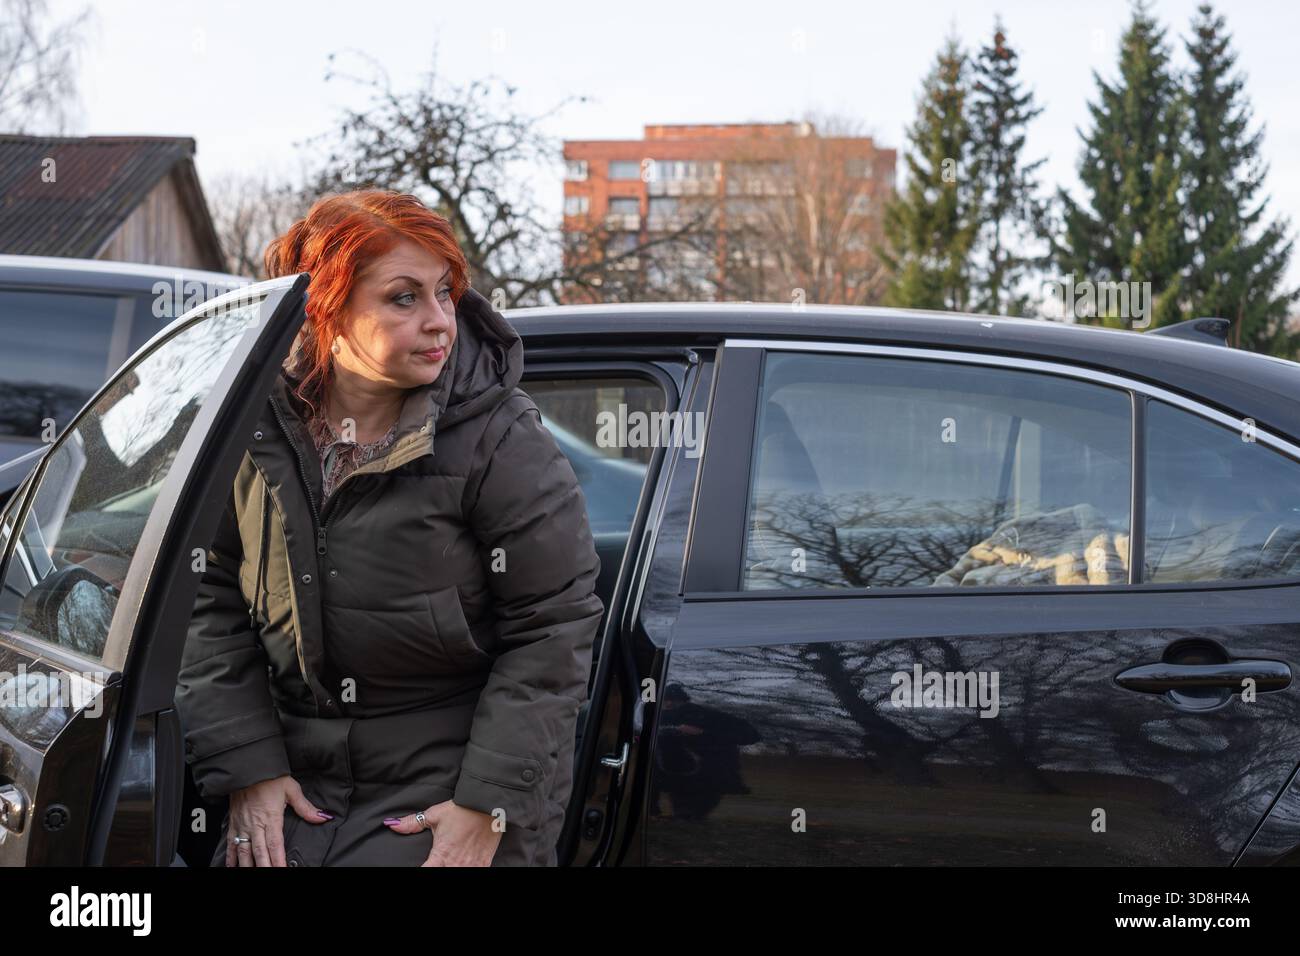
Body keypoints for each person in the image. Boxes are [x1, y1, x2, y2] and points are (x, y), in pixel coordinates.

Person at [174, 189, 604, 866]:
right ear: (326, 308)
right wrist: (247, 768)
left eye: (444, 293)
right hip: (293, 768)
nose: (441, 322)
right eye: (404, 298)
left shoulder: (498, 436)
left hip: (454, 773)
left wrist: (484, 804)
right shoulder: (253, 429)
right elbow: (207, 596)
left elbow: (553, 628)